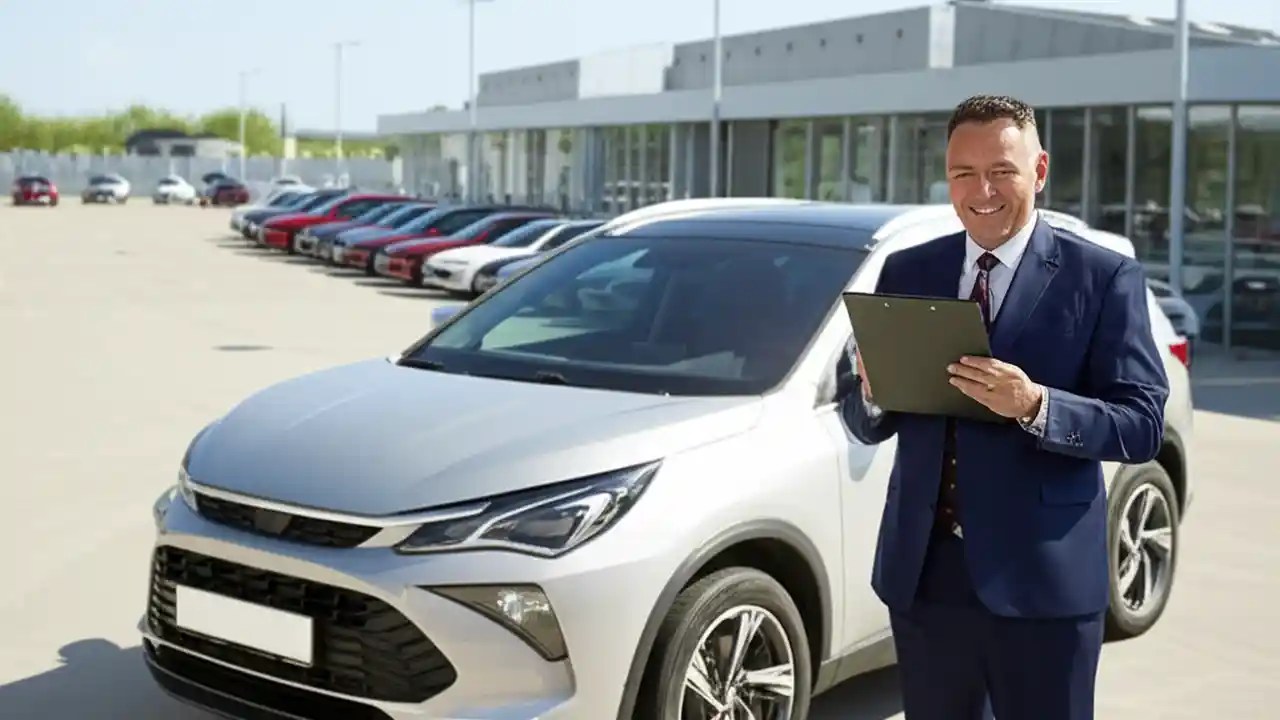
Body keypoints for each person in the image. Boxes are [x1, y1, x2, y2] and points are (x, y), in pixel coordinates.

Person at [841, 95, 1170, 720]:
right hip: (925, 580)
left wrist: (1036, 404)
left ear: (1039, 171)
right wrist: (872, 393)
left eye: (1002, 170)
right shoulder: (908, 269)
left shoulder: (1103, 278)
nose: (982, 190)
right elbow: (867, 421)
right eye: (963, 173)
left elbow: (1143, 425)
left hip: (1043, 584)